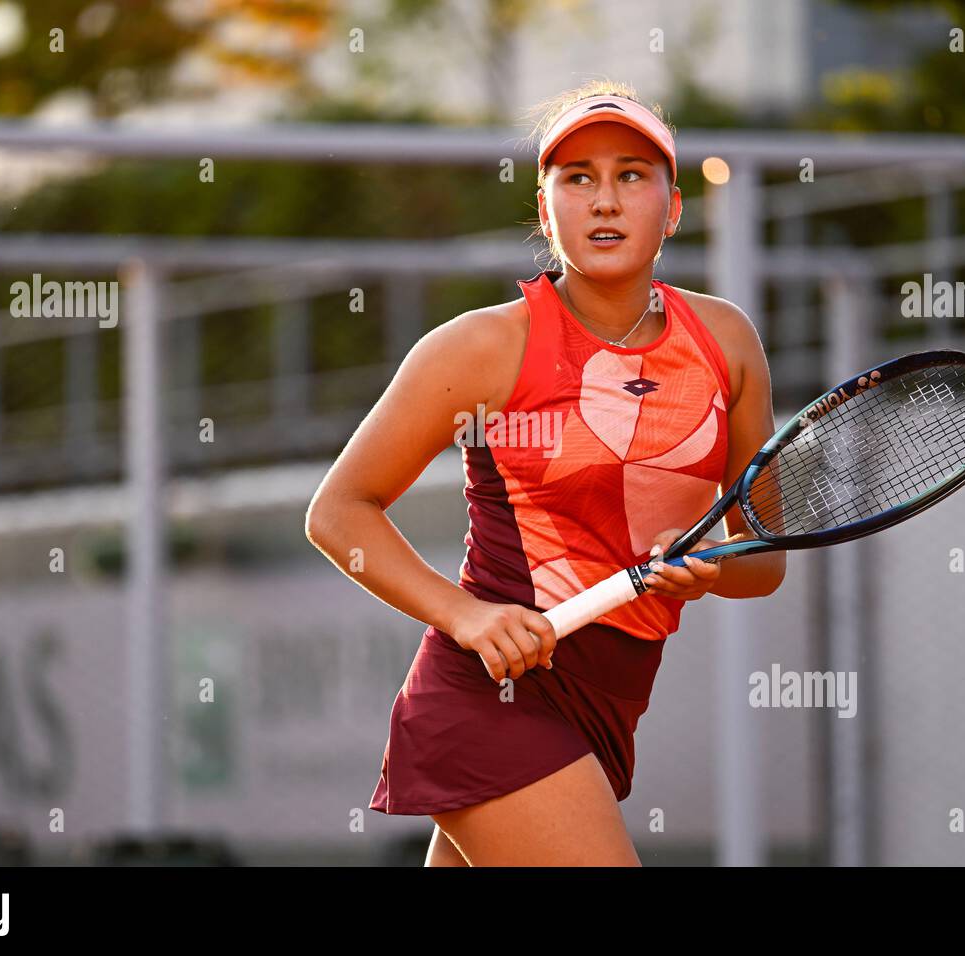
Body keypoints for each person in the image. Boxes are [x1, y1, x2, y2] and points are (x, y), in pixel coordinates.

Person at [305, 80, 785, 866]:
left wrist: (704, 571)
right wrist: (467, 617)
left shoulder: (726, 342)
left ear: (672, 210)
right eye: (578, 177)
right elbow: (340, 512)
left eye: (632, 175)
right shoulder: (481, 347)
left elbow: (764, 559)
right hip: (491, 696)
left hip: (608, 706)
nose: (605, 200)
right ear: (545, 204)